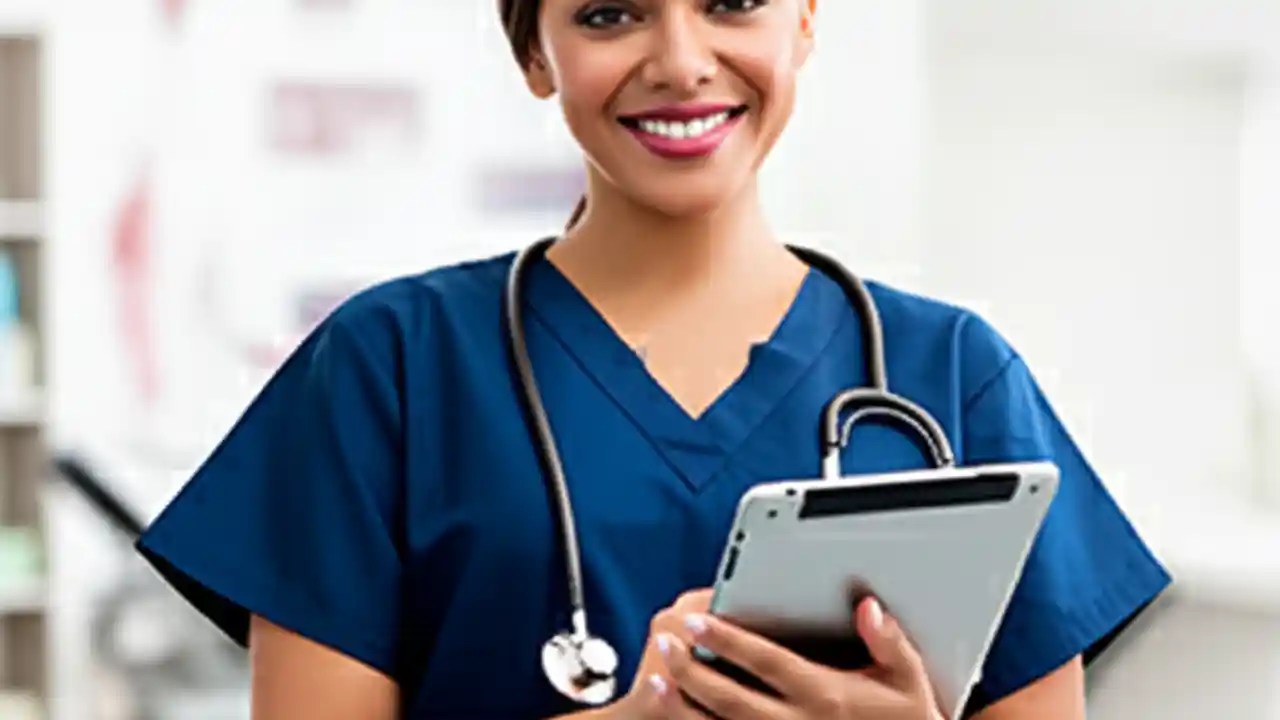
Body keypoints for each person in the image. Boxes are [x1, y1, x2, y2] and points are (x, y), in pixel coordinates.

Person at [135, 0, 1172, 718]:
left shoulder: (951, 373)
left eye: (729, 1)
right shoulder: (386, 368)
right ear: (534, 54)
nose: (679, 60)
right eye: (606, 14)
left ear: (803, 22)